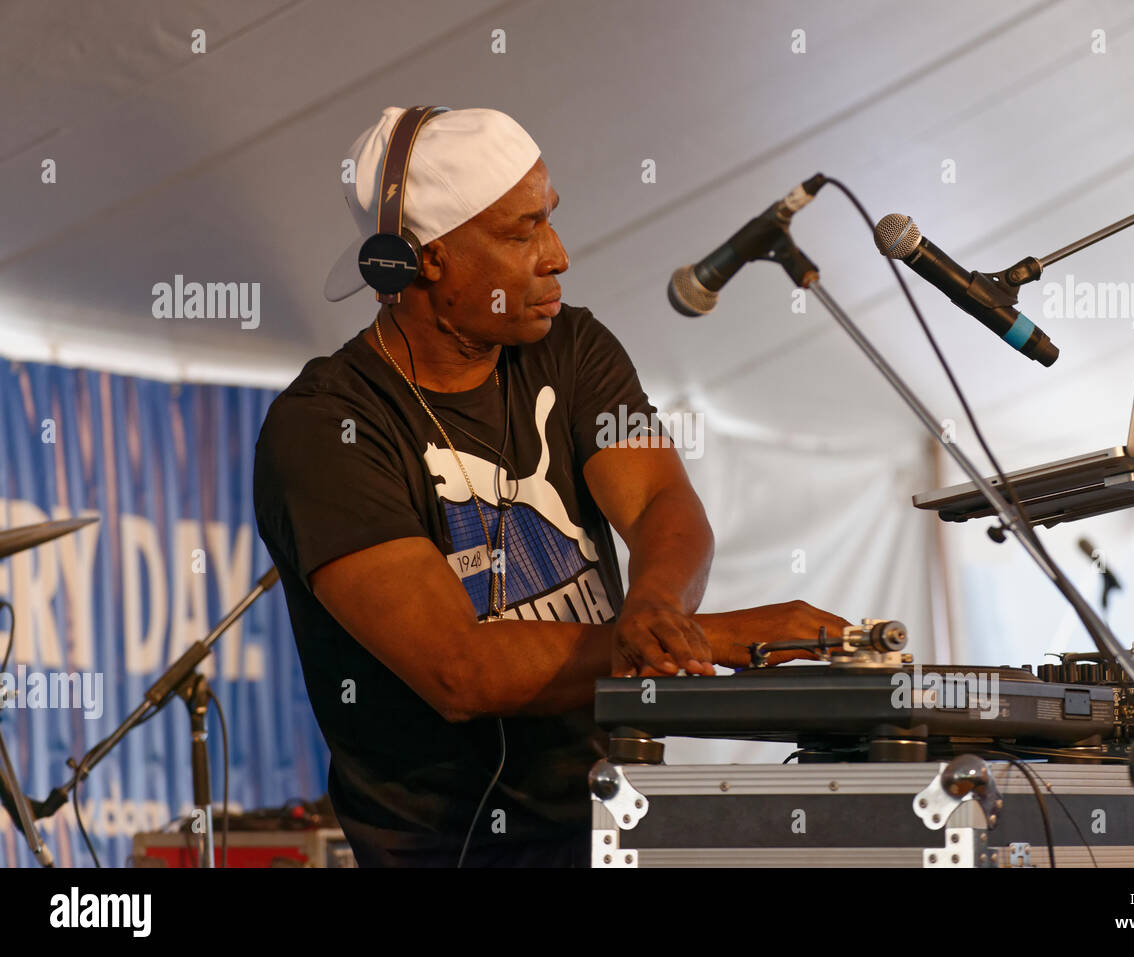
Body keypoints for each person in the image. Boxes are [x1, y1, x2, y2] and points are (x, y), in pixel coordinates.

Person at [253, 106, 848, 867]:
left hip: (611, 829)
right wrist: (709, 637)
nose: (557, 256)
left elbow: (661, 502)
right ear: (423, 258)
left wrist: (660, 607)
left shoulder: (573, 346)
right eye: (519, 232)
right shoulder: (326, 428)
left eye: (550, 221)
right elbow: (457, 670)